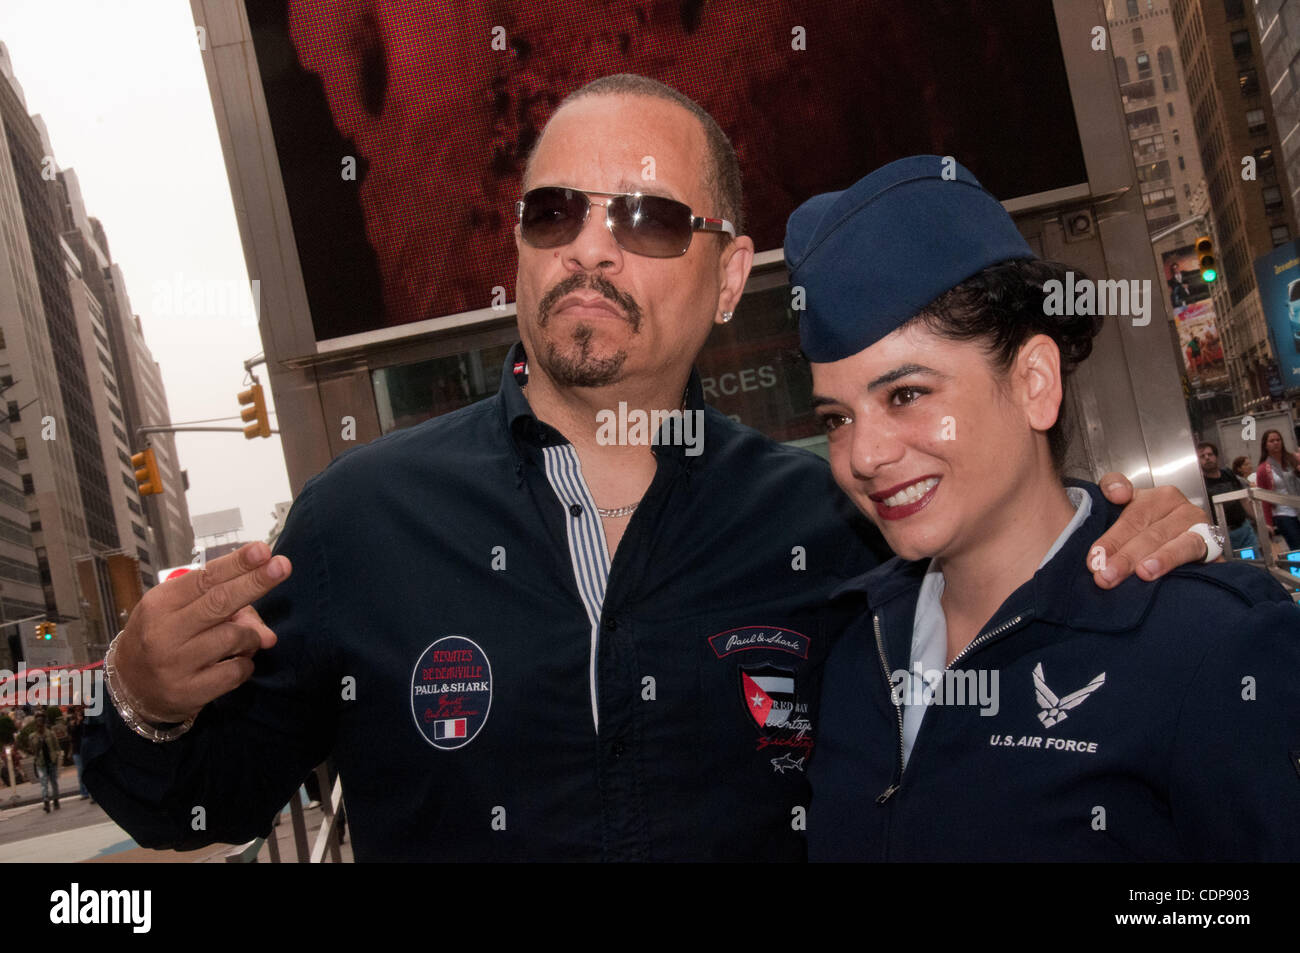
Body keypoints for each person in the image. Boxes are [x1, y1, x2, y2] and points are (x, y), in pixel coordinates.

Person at [83, 78, 1208, 861]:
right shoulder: (354, 524)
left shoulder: (833, 519)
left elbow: (1020, 636)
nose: (590, 245)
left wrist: (1130, 540)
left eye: (648, 218)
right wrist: (144, 702)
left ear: (727, 278)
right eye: (553, 211)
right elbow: (192, 807)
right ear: (515, 253)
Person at [791, 156, 1300, 861]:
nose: (861, 456)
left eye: (906, 394)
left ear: (1034, 381)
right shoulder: (852, 648)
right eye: (837, 417)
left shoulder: (1205, 642)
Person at [1198, 441, 1258, 553]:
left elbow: (1243, 499)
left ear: (1216, 457)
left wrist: (1258, 520)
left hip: (1244, 529)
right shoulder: (1200, 484)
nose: (1207, 458)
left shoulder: (1228, 473)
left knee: (1256, 563)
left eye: (1210, 454)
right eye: (1202, 456)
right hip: (1223, 535)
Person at [1256, 428, 1300, 551]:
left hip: (1298, 506)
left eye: (1278, 440)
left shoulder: (1293, 459)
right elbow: (1264, 499)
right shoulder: (1263, 469)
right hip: (1283, 513)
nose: (1276, 443)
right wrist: (1268, 523)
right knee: (1297, 547)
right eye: (1271, 441)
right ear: (1265, 445)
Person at [30, 712, 61, 813]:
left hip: (51, 761)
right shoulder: (33, 736)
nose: (39, 724)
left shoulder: (50, 733)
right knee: (43, 783)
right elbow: (32, 751)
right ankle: (46, 802)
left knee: (54, 782)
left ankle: (56, 800)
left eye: (41, 722)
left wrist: (56, 757)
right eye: (37, 722)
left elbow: (57, 747)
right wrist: (38, 742)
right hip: (41, 763)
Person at [66, 706, 91, 800]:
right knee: (81, 772)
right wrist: (74, 725)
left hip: (86, 747)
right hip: (77, 749)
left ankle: (92, 792)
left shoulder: (85, 719)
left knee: (89, 769)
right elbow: (70, 735)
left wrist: (81, 722)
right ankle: (84, 792)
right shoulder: (71, 723)